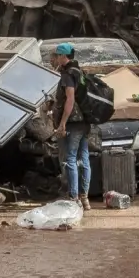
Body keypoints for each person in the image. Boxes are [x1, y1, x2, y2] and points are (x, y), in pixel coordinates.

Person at [51, 42, 92, 209]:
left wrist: (62, 123)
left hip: (73, 123)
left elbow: (70, 99)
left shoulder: (68, 75)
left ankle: (74, 198)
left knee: (70, 159)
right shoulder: (79, 71)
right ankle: (85, 199)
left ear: (63, 56)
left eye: (57, 56)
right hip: (85, 122)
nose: (55, 59)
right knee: (84, 159)